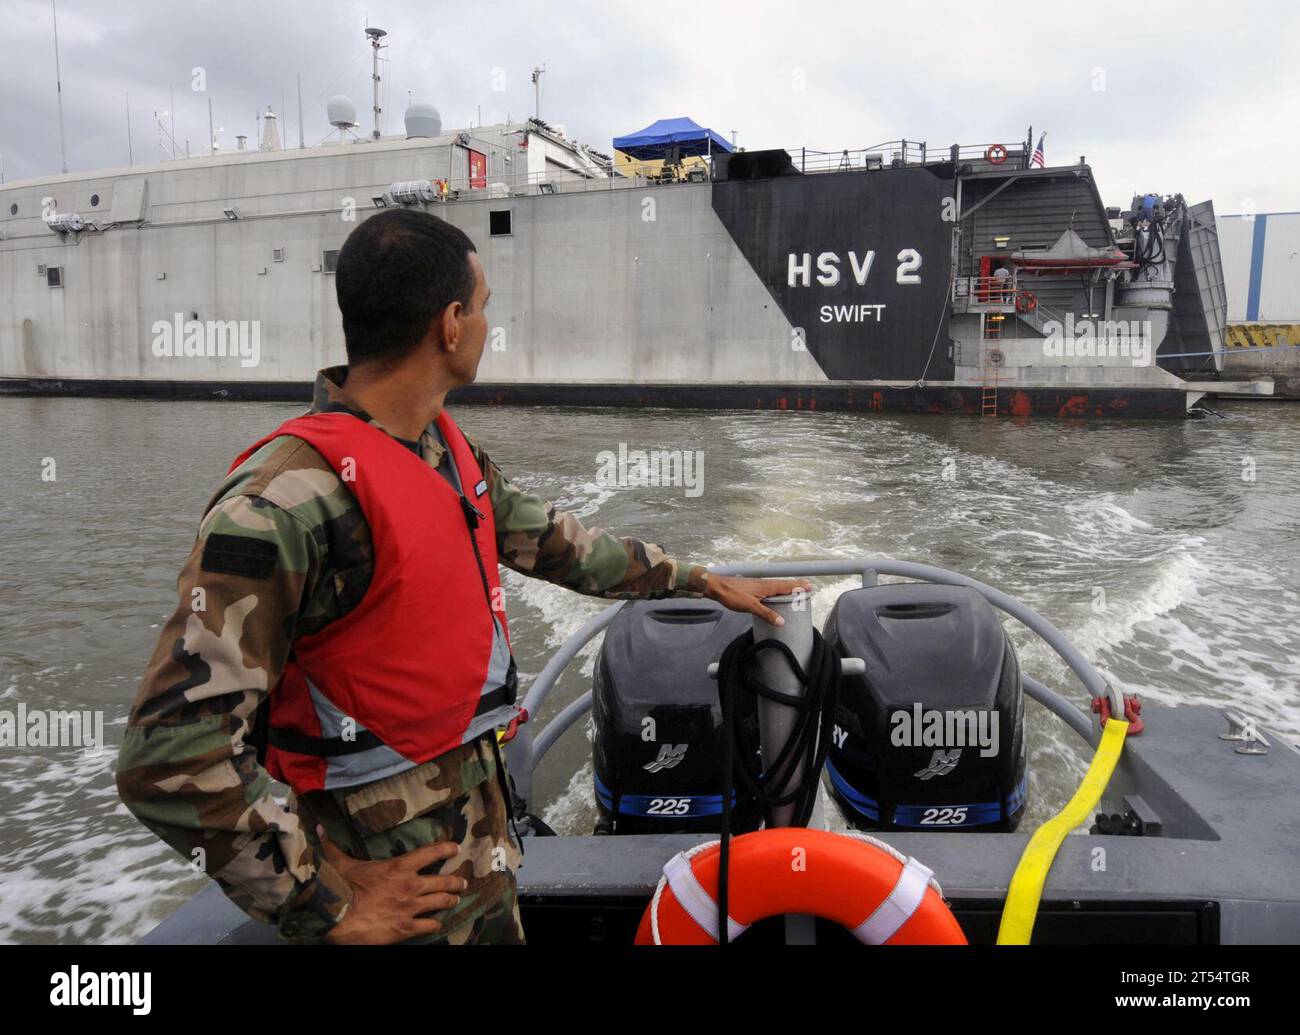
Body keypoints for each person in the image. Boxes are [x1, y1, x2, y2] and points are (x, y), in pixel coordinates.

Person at [115, 207, 810, 945]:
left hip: (481, 864)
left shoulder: (447, 455)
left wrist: (700, 581)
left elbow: (561, 545)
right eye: (482, 309)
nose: (486, 326)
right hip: (395, 906)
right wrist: (327, 900)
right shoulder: (280, 504)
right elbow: (169, 755)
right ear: (450, 324)